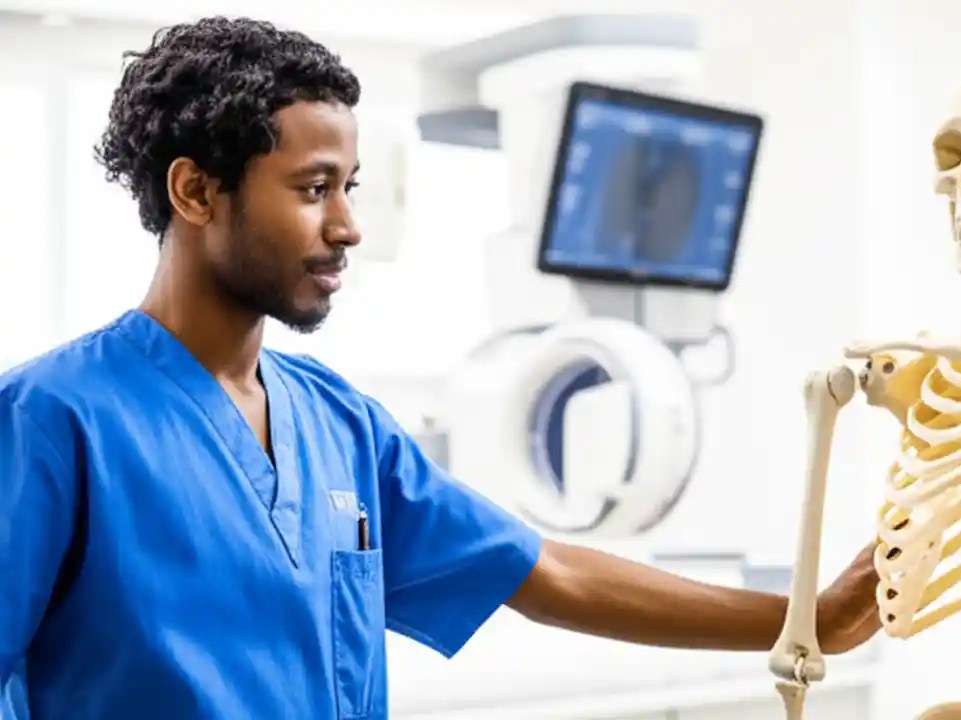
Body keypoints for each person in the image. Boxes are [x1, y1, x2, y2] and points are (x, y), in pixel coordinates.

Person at [0, 16, 881, 720]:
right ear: (196, 192)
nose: (347, 226)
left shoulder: (340, 427)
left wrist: (812, 618)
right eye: (314, 190)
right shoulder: (55, 419)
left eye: (350, 187)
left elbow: (546, 576)